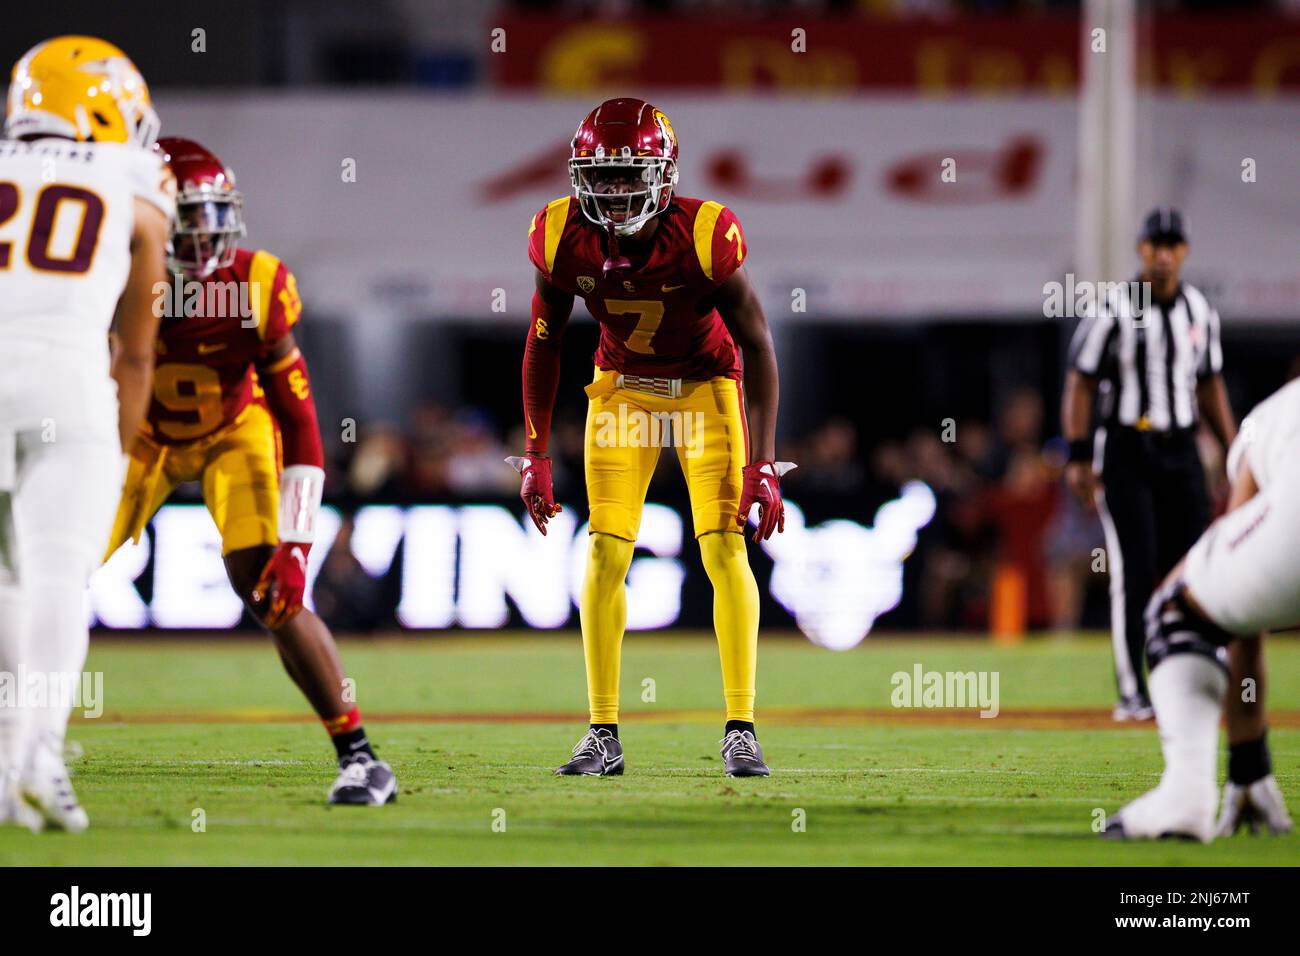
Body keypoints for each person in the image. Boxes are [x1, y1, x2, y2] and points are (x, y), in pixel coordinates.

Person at [102, 137, 395, 807]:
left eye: (209, 220)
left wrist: (296, 546)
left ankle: (361, 757)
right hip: (135, 436)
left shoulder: (256, 284)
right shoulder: (103, 281)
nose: (201, 241)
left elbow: (300, 425)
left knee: (270, 583)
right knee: (47, 571)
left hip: (235, 429)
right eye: (184, 223)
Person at [509, 98, 793, 777]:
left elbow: (756, 342)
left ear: (664, 174)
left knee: (725, 551)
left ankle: (741, 726)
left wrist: (765, 462)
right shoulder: (557, 235)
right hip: (622, 388)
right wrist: (537, 452)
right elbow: (544, 344)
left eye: (628, 174)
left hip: (705, 386)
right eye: (599, 176)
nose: (613, 191)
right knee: (605, 553)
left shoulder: (705, 234)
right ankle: (602, 732)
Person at [0, 37, 173, 831]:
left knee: (6, 585)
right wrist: (127, 453)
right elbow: (136, 352)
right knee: (56, 579)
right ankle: (38, 753)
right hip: (68, 390)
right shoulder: (136, 185)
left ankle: (10, 765)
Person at [1105, 377, 1297, 842]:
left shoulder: (1263, 424)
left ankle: (1186, 797)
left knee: (1176, 609)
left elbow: (1237, 620)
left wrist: (1248, 760)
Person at [1062, 207, 1235, 720]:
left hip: (1180, 448)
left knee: (1193, 571)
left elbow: (1209, 383)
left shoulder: (1199, 311)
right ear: (1140, 250)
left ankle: (1190, 681)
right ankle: (1131, 690)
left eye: (1171, 246)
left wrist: (1233, 446)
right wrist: (1076, 454)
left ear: (1183, 252)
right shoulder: (1115, 307)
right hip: (1126, 449)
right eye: (1153, 245)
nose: (1162, 255)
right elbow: (1081, 380)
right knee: (1135, 571)